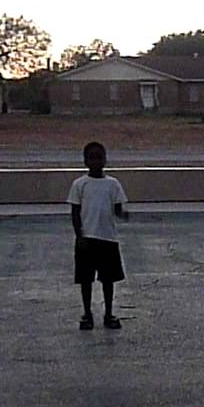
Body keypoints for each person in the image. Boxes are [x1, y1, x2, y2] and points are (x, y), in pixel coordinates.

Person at [67, 141, 129, 330]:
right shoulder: (80, 184)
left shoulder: (113, 184)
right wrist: (80, 236)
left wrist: (123, 214)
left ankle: (108, 313)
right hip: (87, 239)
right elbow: (75, 213)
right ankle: (87, 314)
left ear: (105, 159)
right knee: (86, 280)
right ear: (85, 160)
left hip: (108, 238)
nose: (96, 161)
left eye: (99, 156)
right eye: (92, 157)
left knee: (108, 280)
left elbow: (117, 207)